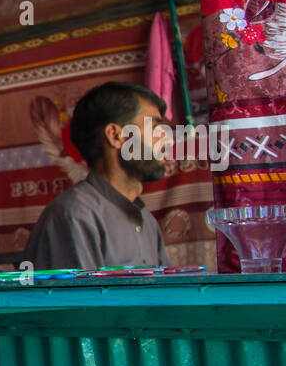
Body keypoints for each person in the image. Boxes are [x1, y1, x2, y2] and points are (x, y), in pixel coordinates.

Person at [24, 82, 174, 270]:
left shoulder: (146, 219)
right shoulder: (74, 215)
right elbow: (80, 299)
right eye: (155, 128)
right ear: (115, 136)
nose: (167, 139)